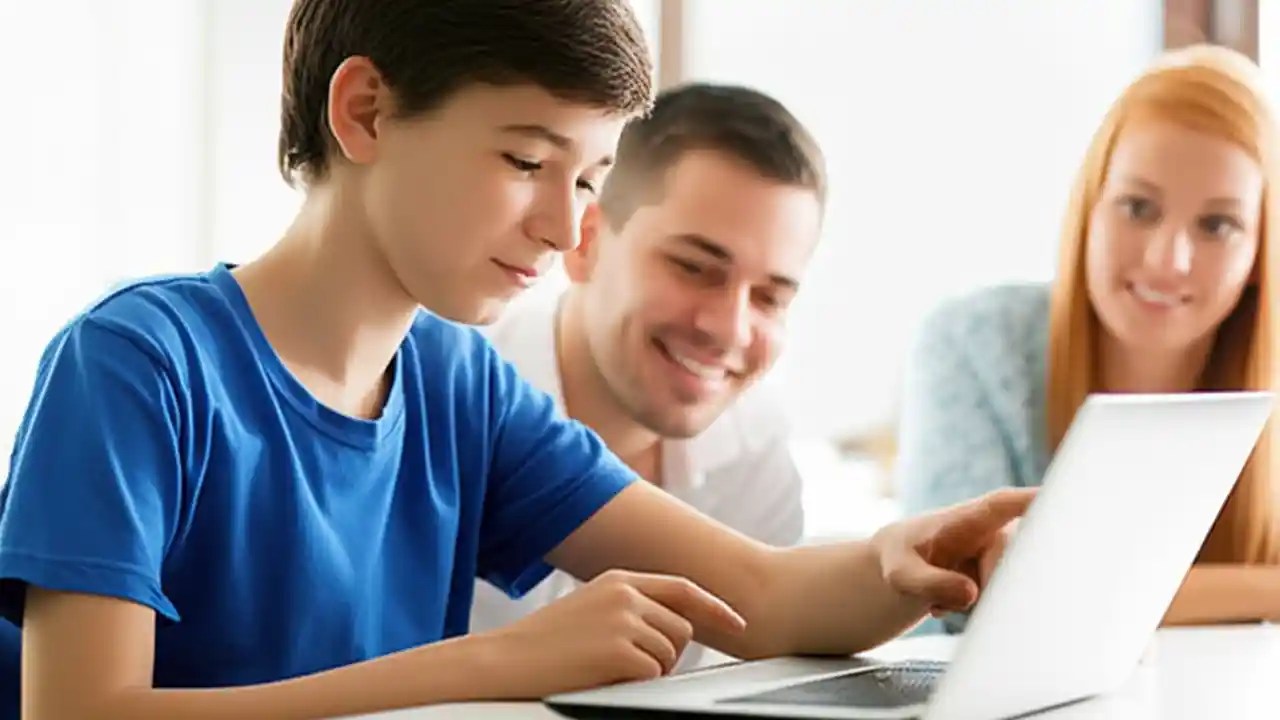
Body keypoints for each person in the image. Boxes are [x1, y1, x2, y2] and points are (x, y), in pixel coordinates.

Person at [0, 1, 1031, 717]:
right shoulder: (136, 366)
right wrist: (492, 665)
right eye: (527, 160)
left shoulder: (460, 384)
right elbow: (84, 713)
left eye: (587, 180)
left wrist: (901, 564)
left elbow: (757, 595)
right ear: (363, 112)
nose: (559, 225)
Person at [897, 43, 1279, 635]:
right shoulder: (973, 344)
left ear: (1260, 253)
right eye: (1138, 207)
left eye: (1217, 225)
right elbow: (961, 598)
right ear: (1089, 210)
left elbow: (1050, 591)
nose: (1167, 259)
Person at [470, 82, 821, 671]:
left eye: (769, 298)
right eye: (693, 267)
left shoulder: (755, 447)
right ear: (584, 242)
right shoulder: (446, 403)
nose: (730, 329)